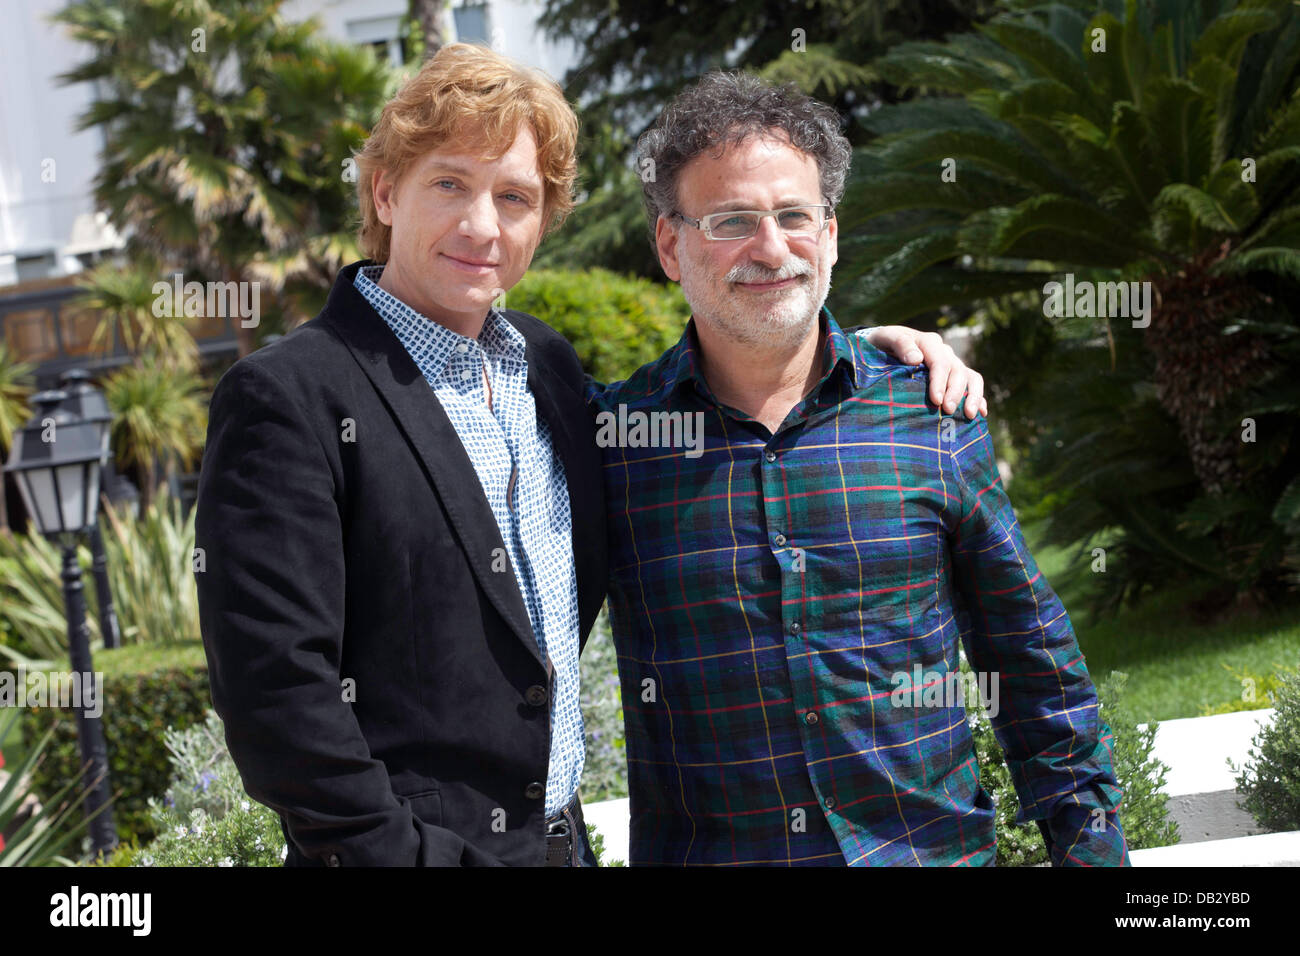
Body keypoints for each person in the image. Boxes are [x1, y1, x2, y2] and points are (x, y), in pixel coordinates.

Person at [194, 44, 980, 867]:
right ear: (387, 192)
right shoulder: (289, 397)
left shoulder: (547, 368)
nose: (482, 225)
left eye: (515, 197)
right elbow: (276, 701)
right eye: (449, 184)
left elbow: (711, 406)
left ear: (545, 219)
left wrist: (869, 359)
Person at [586, 71, 1129, 866]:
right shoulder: (614, 444)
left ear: (831, 235)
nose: (771, 248)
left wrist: (1091, 851)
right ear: (671, 245)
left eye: (793, 216)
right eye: (732, 220)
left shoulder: (930, 416)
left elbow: (1031, 659)